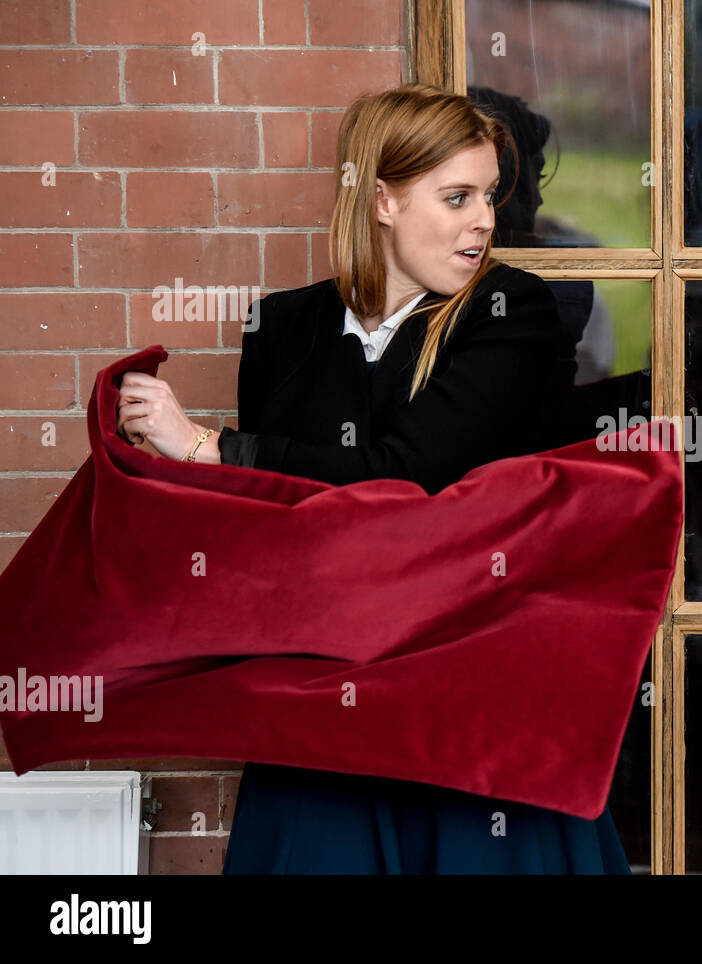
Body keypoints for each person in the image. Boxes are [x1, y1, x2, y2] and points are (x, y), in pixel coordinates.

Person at [113, 83, 631, 874]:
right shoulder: (282, 327)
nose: (485, 221)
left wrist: (211, 447)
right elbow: (280, 527)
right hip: (326, 707)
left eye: (489, 196)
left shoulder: (511, 311)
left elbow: (409, 481)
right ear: (381, 200)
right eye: (456, 197)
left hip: (471, 709)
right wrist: (165, 464)